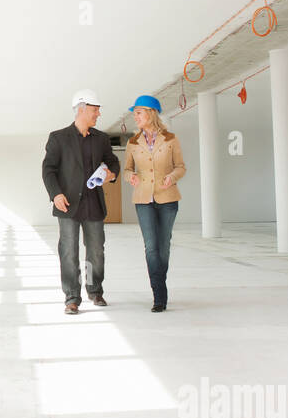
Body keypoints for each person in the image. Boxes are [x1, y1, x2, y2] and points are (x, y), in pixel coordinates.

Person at [42, 89, 120, 315]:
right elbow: (48, 170)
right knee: (68, 251)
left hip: (94, 204)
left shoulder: (102, 139)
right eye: (95, 110)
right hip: (67, 205)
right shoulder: (58, 138)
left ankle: (95, 291)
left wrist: (111, 175)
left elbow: (113, 163)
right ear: (82, 109)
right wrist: (55, 194)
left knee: (96, 251)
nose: (98, 114)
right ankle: (72, 298)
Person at [123, 95, 186, 312]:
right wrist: (130, 176)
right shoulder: (133, 142)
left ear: (151, 113)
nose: (135, 117)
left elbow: (181, 167)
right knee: (151, 247)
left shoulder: (170, 139)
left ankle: (159, 280)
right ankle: (159, 295)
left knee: (164, 245)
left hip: (167, 198)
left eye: (138, 112)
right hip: (143, 200)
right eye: (135, 113)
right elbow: (127, 169)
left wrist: (172, 177)